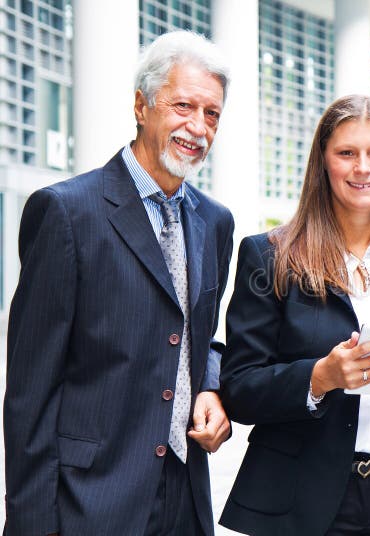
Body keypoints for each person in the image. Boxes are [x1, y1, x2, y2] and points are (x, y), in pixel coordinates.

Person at [3, 31, 235, 535]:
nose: (197, 127)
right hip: (91, 502)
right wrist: (30, 524)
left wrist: (212, 388)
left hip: (186, 497)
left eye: (211, 113)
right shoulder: (66, 212)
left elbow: (202, 334)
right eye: (183, 106)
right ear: (141, 105)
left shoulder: (215, 222)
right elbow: (30, 392)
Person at [218, 94, 370, 536]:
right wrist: (320, 378)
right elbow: (238, 387)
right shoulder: (268, 256)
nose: (363, 168)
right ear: (323, 161)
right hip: (299, 498)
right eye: (346, 153)